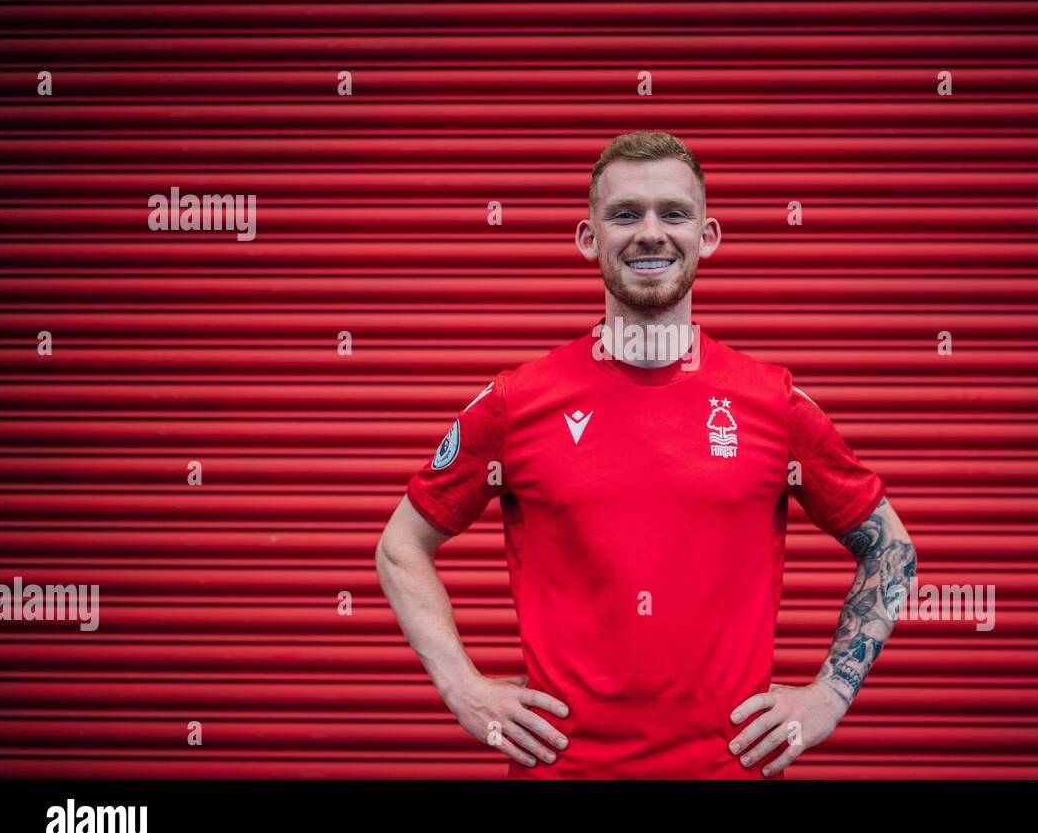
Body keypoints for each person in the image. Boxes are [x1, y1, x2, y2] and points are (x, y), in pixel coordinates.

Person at [375, 131, 916, 778]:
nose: (651, 233)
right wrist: (464, 689)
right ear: (588, 239)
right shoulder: (516, 403)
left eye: (674, 213)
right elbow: (400, 547)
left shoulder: (773, 402)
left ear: (707, 236)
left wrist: (829, 695)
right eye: (625, 214)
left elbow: (892, 548)